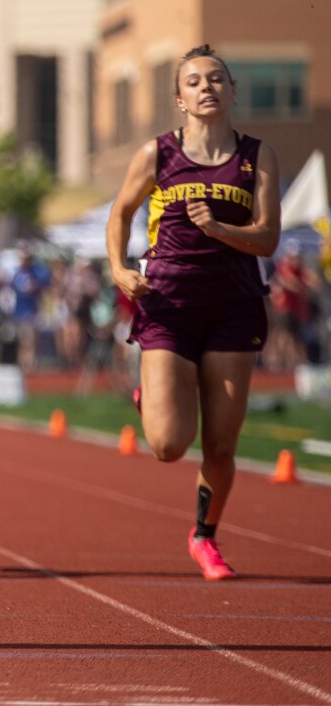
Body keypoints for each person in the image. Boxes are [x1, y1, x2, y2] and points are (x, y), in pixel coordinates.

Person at [107, 44, 280, 582]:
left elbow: (268, 237)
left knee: (222, 445)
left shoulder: (257, 155)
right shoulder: (158, 153)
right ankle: (149, 396)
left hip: (233, 307)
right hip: (169, 305)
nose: (207, 87)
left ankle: (204, 536)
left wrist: (221, 229)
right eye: (195, 82)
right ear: (179, 99)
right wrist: (117, 268)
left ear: (232, 91)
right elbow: (121, 212)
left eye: (217, 79)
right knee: (167, 445)